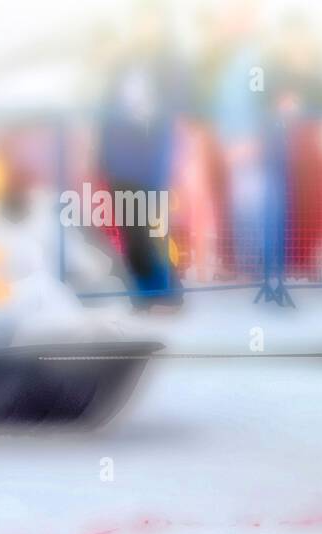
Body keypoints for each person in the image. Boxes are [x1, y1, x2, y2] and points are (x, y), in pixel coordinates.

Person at [97, 1, 186, 309]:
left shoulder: (169, 63)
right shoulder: (123, 61)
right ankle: (144, 294)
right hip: (119, 155)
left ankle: (166, 292)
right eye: (141, 20)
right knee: (130, 227)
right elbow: (107, 104)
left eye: (151, 20)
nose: (146, 27)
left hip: (149, 157)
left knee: (152, 226)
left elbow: (174, 103)